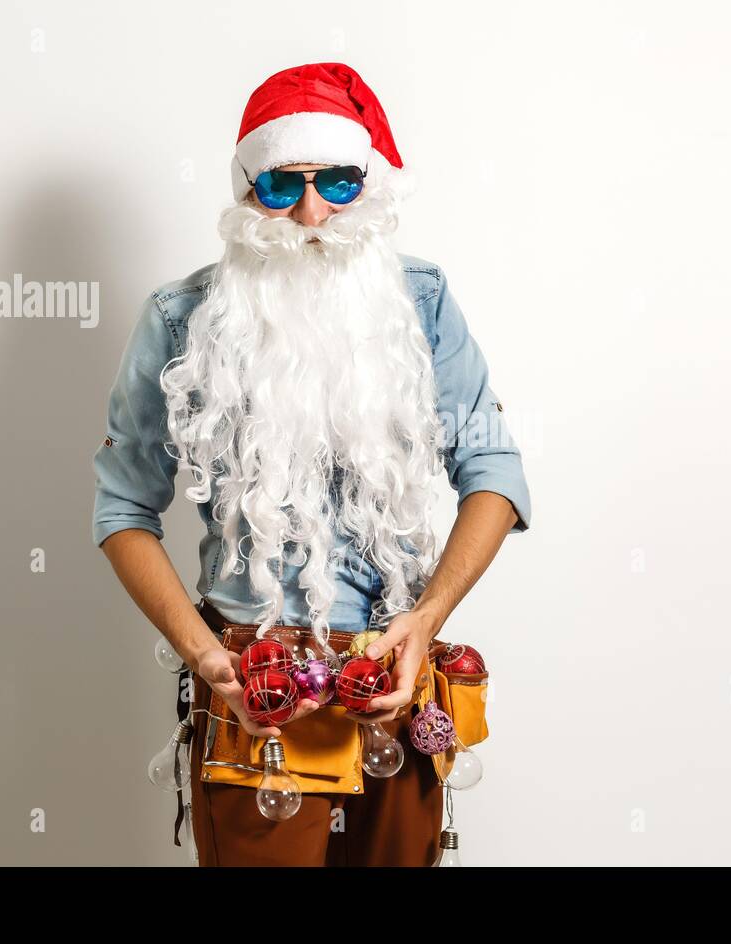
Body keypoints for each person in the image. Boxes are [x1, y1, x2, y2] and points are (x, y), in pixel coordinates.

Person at [91, 62, 531, 866]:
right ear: (246, 193)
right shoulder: (179, 317)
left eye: (336, 180)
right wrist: (205, 657)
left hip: (392, 682)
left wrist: (424, 621)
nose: (312, 211)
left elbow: (495, 473)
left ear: (369, 186)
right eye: (281, 186)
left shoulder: (422, 302)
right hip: (255, 691)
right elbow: (123, 510)